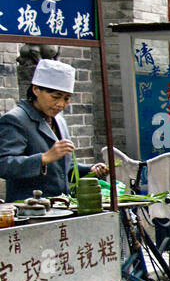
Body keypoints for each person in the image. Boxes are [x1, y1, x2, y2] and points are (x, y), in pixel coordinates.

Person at [1, 59, 108, 202]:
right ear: (36, 90)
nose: (60, 104)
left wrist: (90, 170)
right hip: (30, 209)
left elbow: (65, 169)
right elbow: (4, 165)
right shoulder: (16, 120)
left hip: (59, 207)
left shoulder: (59, 120)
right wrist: (43, 158)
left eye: (66, 99)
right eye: (55, 97)